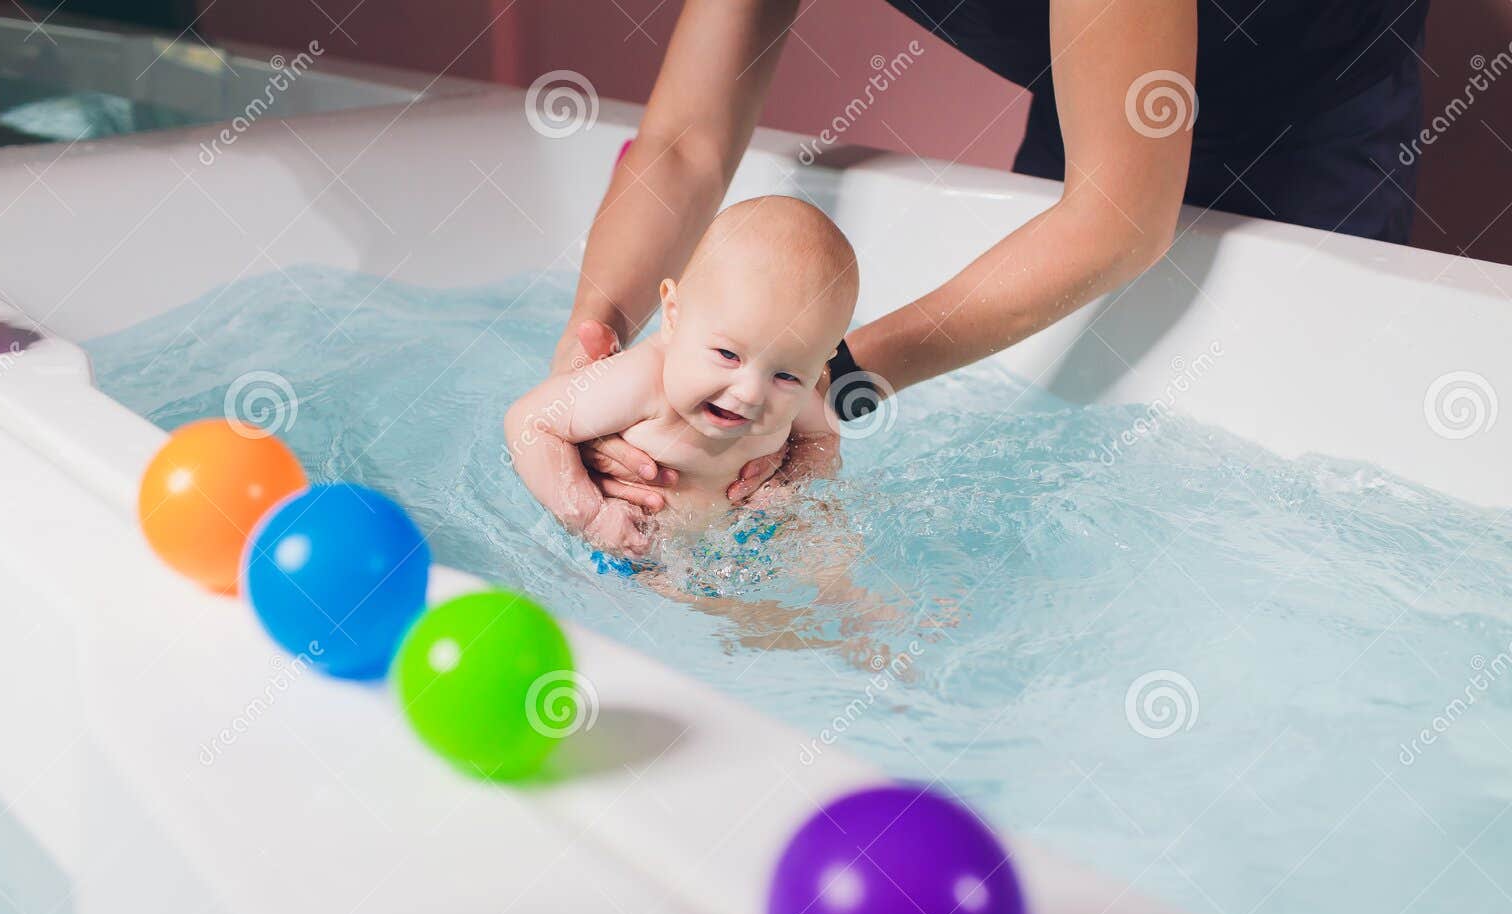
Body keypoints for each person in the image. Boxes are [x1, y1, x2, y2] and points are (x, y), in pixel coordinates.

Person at [539, 0, 1430, 543]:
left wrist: (829, 381)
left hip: (1307, 105)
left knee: (1278, 477)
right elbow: (687, 142)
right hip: (1100, 82)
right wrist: (593, 354)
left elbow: (1119, 218)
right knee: (1054, 424)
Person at [506, 195, 857, 560]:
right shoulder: (640, 383)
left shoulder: (795, 397)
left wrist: (792, 480)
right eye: (727, 355)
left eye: (786, 376)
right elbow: (528, 423)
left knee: (835, 565)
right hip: (623, 555)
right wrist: (591, 514)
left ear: (821, 365)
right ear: (673, 315)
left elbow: (823, 435)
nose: (751, 393)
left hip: (726, 553)